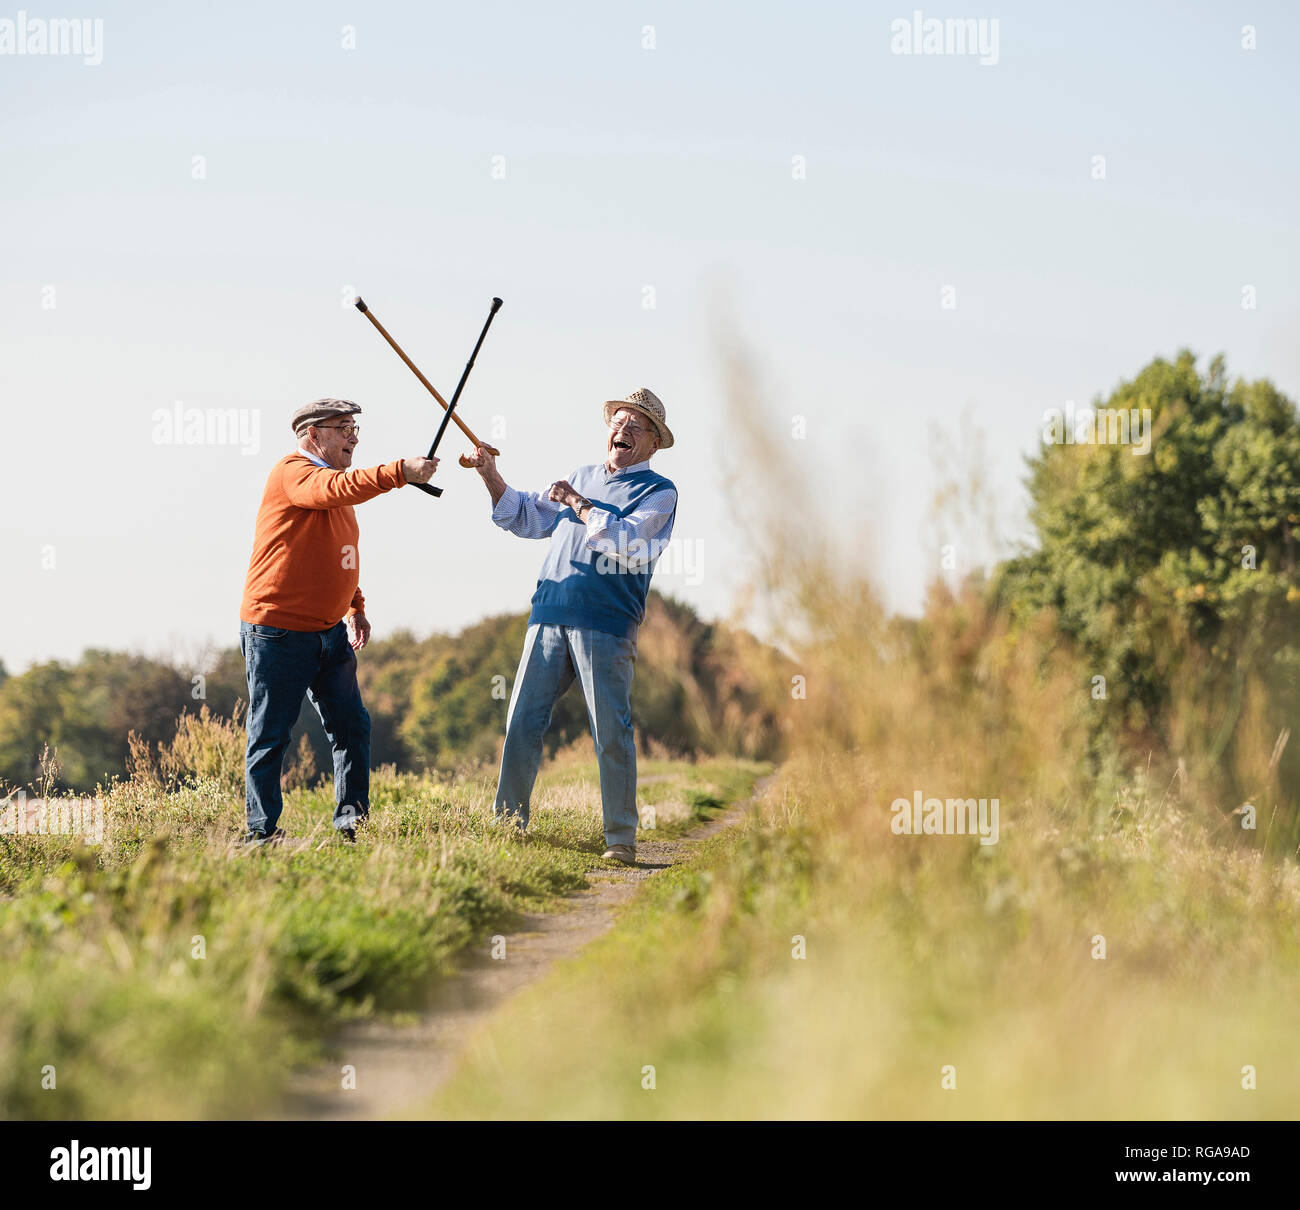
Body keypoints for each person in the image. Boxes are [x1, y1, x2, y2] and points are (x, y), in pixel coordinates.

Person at [464, 388, 678, 865]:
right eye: (618, 422)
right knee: (522, 721)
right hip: (548, 613)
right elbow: (524, 516)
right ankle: (508, 825)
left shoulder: (660, 492)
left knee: (610, 731)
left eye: (635, 427)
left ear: (653, 443)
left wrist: (579, 504)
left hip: (606, 623)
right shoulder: (579, 475)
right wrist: (489, 474)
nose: (621, 431)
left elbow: (623, 541)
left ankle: (620, 839)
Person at [238, 397, 438, 846]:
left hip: (329, 632)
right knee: (271, 734)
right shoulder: (295, 472)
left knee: (351, 726)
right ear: (314, 434)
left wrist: (355, 606)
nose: (353, 436)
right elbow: (336, 489)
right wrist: (401, 472)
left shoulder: (335, 487)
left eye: (355, 429)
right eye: (343, 427)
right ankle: (260, 833)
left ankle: (350, 823)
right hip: (278, 630)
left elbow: (340, 552)